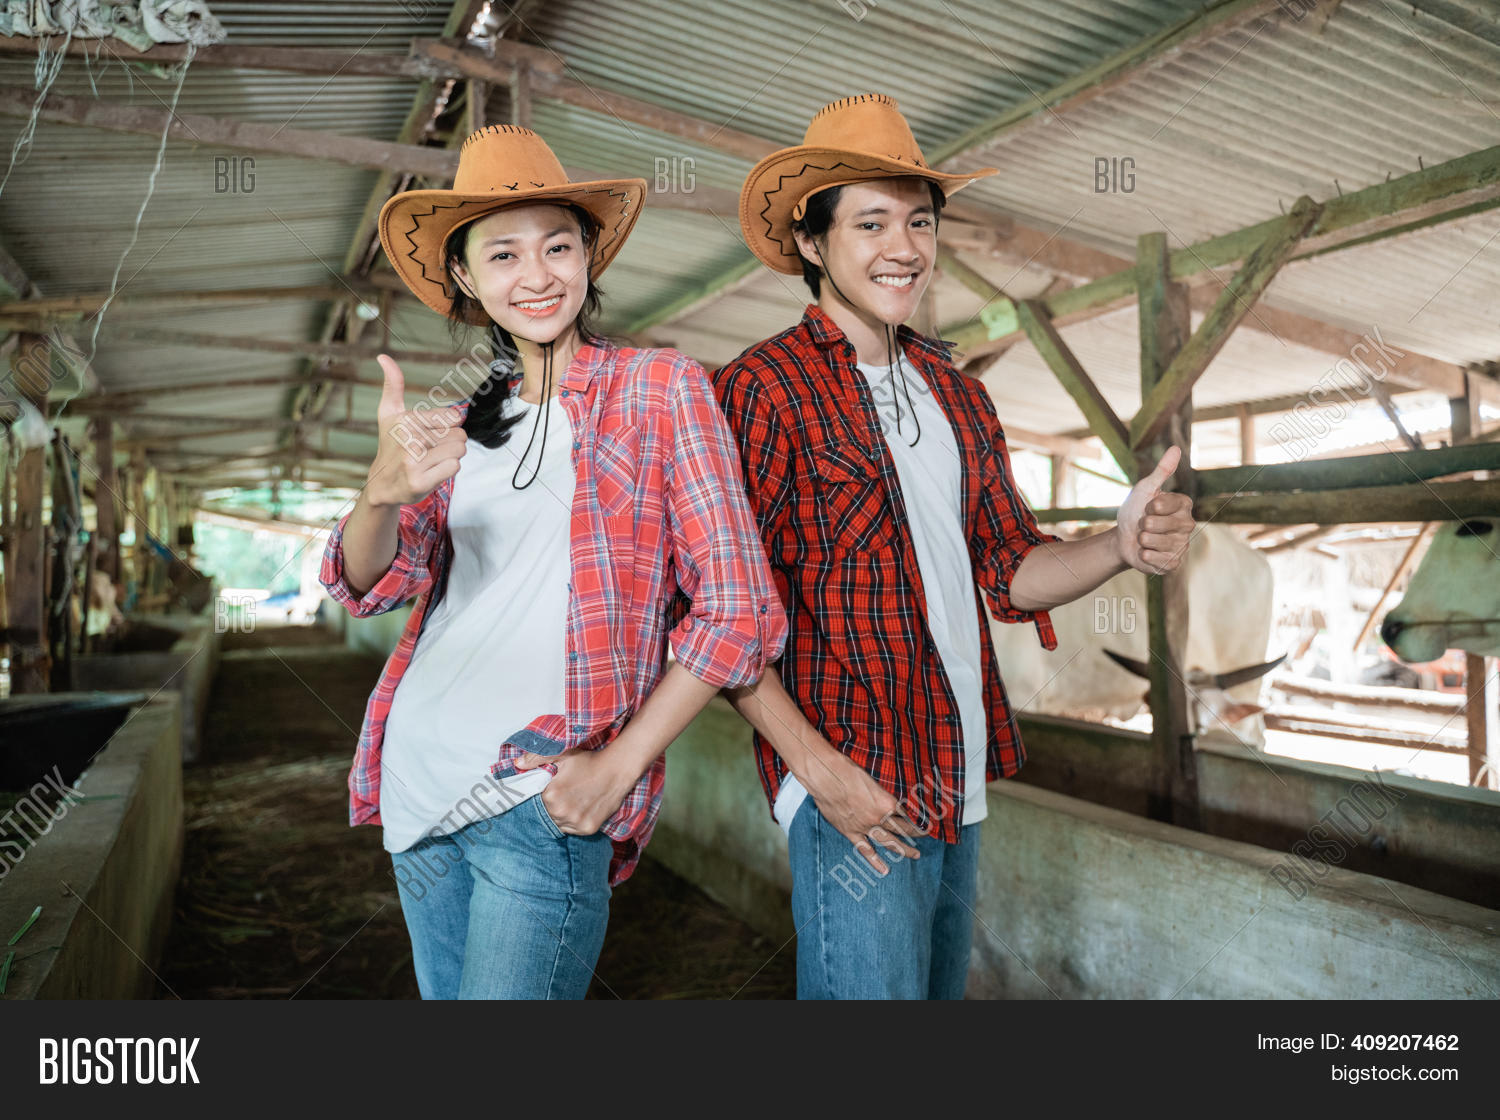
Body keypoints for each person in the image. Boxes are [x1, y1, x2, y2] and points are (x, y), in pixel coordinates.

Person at [713, 94, 1196, 999]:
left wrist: (1120, 545)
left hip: (955, 770)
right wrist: (821, 775)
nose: (905, 247)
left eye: (920, 221)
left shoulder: (956, 393)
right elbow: (715, 612)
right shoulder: (761, 390)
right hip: (853, 781)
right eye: (871, 222)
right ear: (812, 244)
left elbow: (1010, 568)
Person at [319, 124, 787, 1000]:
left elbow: (740, 608)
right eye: (503, 254)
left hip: (542, 800)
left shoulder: (658, 389)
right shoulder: (452, 429)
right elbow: (369, 585)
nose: (535, 276)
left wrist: (618, 768)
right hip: (419, 785)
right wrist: (378, 494)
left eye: (558, 246)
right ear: (464, 278)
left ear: (588, 257)